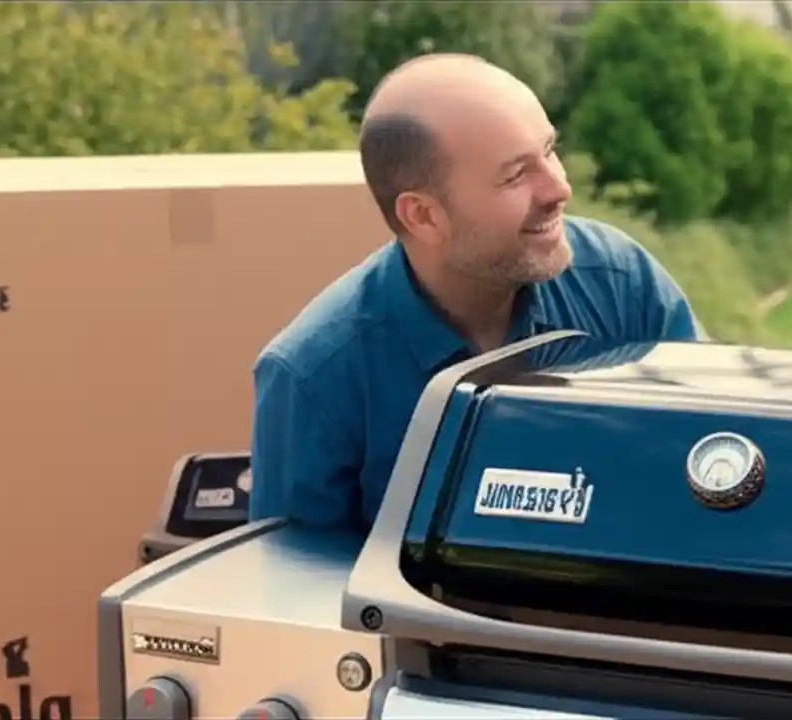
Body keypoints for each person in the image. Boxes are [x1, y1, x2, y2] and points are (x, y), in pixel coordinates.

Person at [247, 53, 703, 531]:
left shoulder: (622, 283)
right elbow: (293, 591)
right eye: (514, 175)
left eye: (549, 150)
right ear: (423, 216)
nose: (558, 188)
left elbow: (713, 454)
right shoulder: (314, 378)